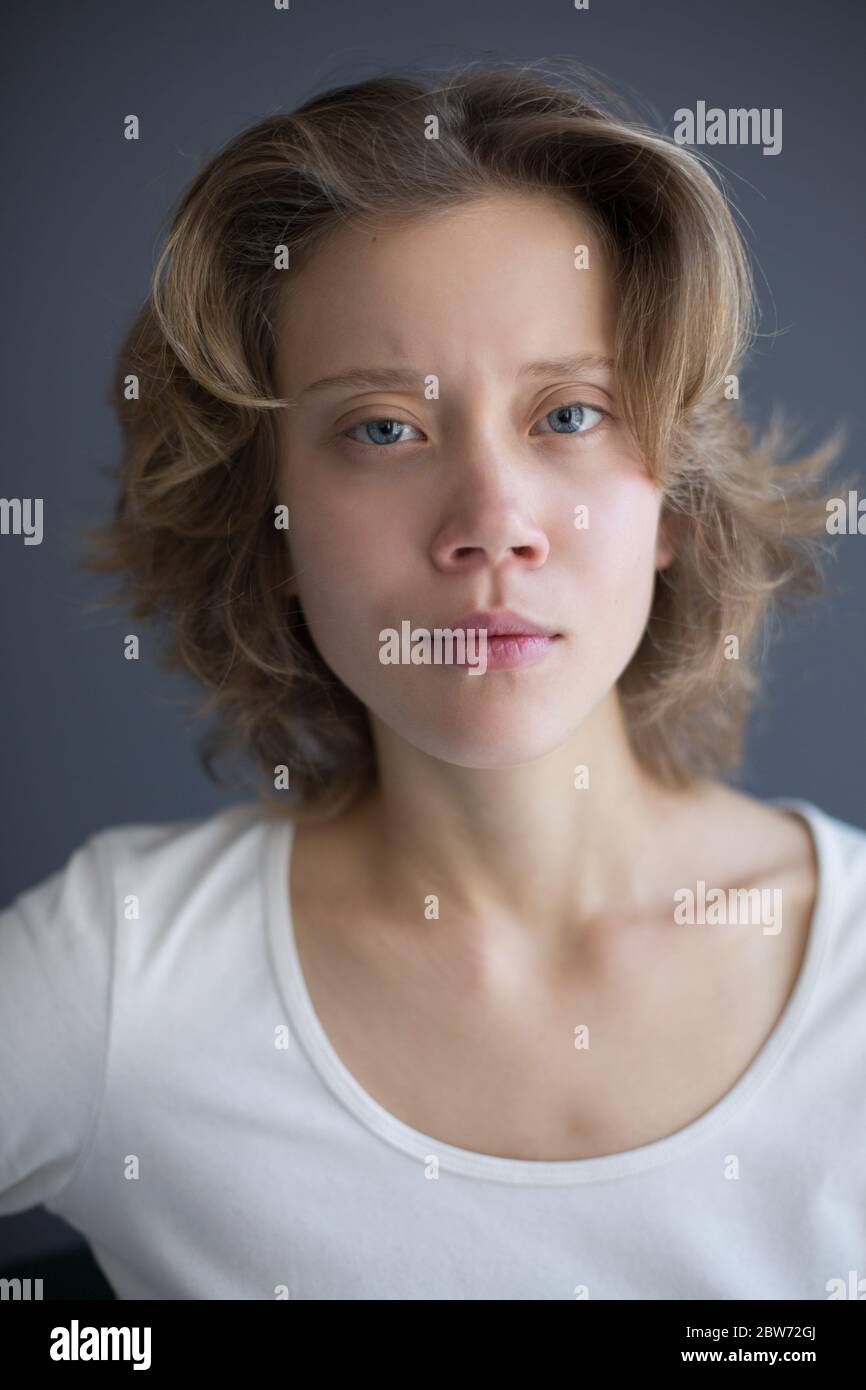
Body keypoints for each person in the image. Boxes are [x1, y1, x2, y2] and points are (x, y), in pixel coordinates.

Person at [1, 62, 863, 1302]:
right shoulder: (123, 974)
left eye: (568, 415)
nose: (489, 524)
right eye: (383, 428)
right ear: (272, 522)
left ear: (671, 496)